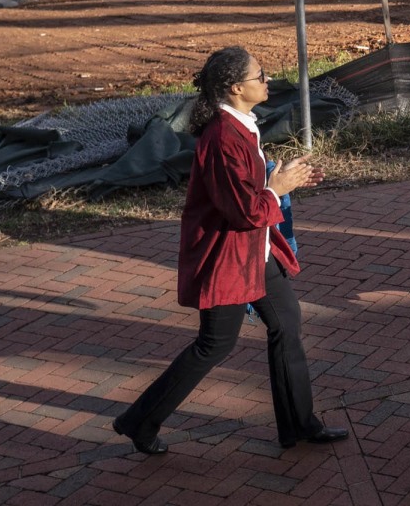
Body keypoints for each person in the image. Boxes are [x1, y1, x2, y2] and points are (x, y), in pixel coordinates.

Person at [112, 47, 347, 455]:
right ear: (236, 88)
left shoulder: (241, 126)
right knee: (215, 344)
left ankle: (300, 424)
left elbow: (247, 193)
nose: (267, 80)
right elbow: (242, 211)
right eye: (261, 75)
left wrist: (285, 176)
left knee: (286, 322)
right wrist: (278, 188)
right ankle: (139, 421)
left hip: (254, 253)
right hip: (228, 259)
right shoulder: (223, 138)